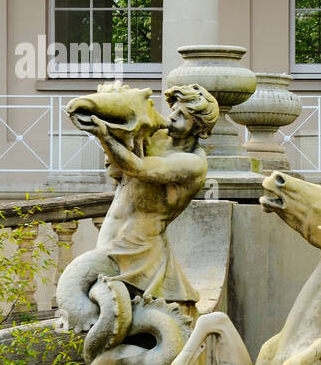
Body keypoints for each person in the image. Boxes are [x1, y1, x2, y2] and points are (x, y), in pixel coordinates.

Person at [78, 83, 219, 302]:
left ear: (199, 128)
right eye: (174, 109)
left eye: (182, 115)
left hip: (142, 252)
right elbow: (117, 169)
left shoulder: (194, 163)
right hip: (111, 236)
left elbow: (138, 168)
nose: (171, 117)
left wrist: (103, 136)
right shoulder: (157, 136)